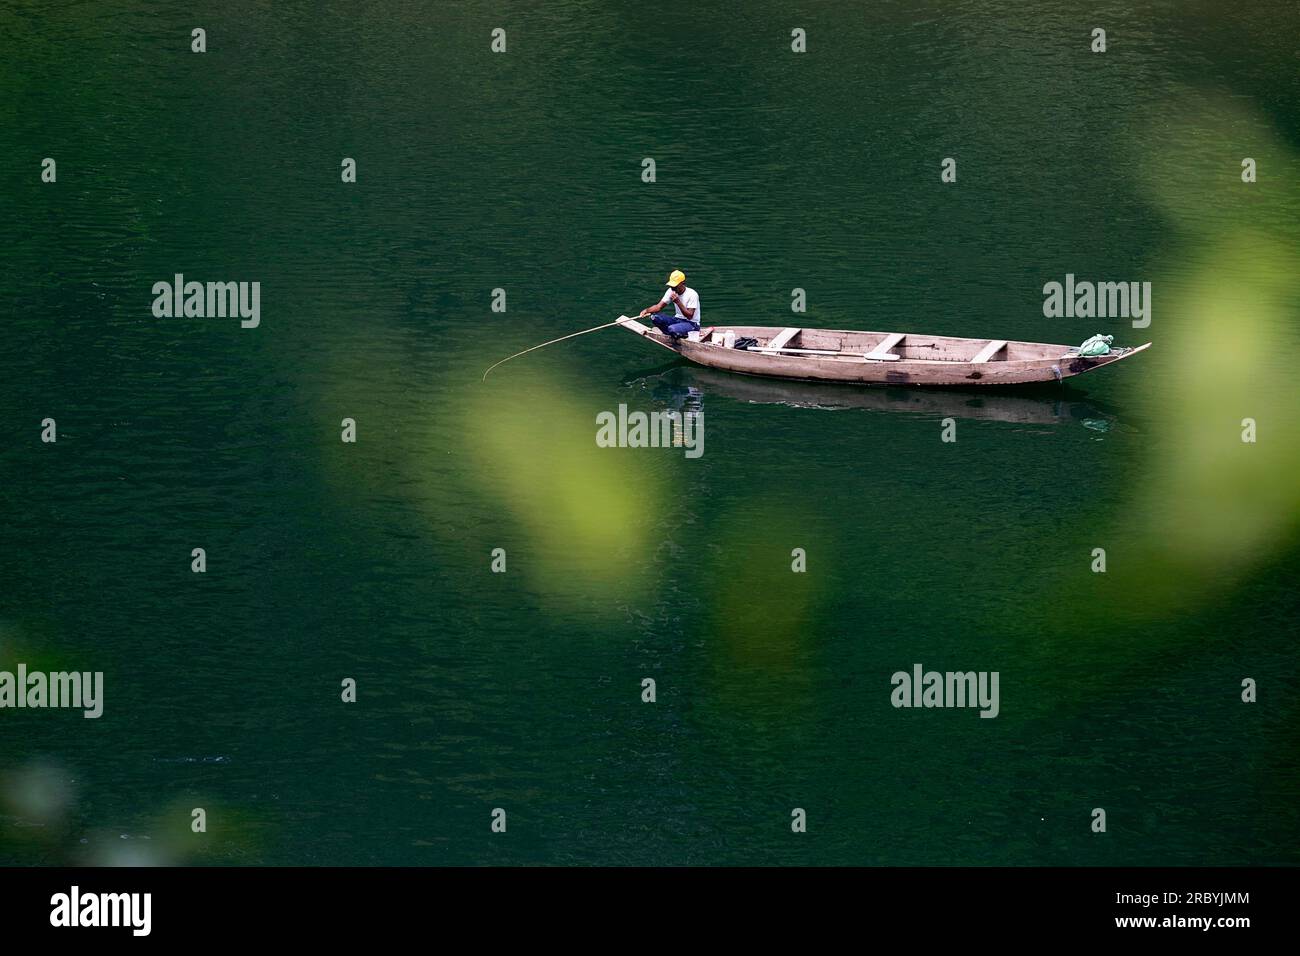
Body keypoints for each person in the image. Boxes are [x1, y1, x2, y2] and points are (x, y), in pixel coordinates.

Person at [638, 270, 701, 337]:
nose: (673, 288)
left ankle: (673, 333)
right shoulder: (671, 291)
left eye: (675, 286)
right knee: (654, 317)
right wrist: (646, 310)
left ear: (683, 283)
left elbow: (689, 316)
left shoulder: (692, 294)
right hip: (677, 320)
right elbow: (658, 307)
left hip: (691, 324)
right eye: (671, 286)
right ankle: (672, 334)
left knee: (672, 329)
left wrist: (678, 302)